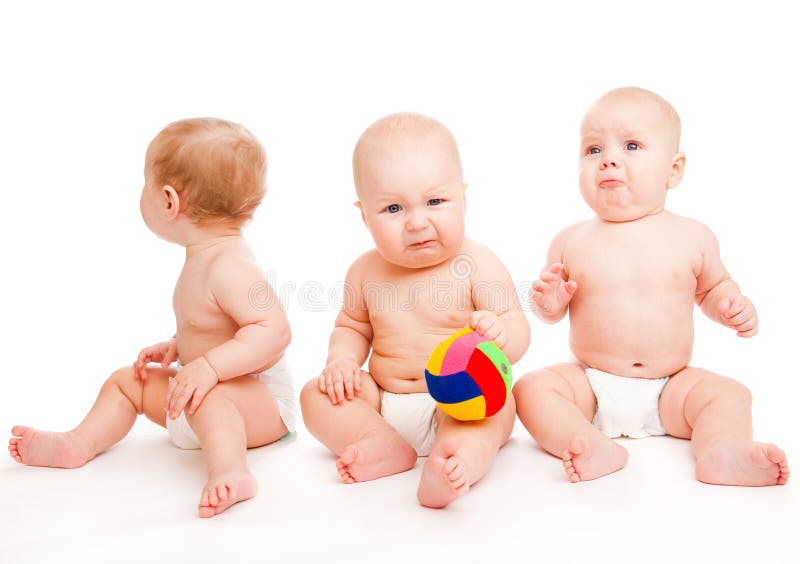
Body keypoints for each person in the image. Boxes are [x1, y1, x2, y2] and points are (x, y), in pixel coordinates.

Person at [8, 118, 296, 516]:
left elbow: (275, 331)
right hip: (199, 400)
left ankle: (232, 470)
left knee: (210, 397)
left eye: (143, 183)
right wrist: (179, 347)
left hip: (260, 411)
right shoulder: (204, 257)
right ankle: (79, 442)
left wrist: (209, 367)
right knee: (129, 382)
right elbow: (216, 327)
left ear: (168, 201)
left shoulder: (231, 265)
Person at [514, 87, 789, 486]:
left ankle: (721, 451)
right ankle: (587, 441)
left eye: (631, 145)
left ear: (673, 170)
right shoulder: (569, 240)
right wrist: (549, 303)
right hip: (590, 384)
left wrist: (731, 304)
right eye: (593, 150)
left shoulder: (693, 237)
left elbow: (713, 289)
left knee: (730, 395)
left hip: (671, 389)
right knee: (531, 388)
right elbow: (548, 311)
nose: (608, 159)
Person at [300, 112, 530, 508]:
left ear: (463, 197)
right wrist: (341, 361)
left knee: (498, 408)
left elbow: (516, 325)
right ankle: (377, 440)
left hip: (459, 403)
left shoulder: (477, 264)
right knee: (315, 396)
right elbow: (352, 327)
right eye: (393, 209)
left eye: (436, 202)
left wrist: (501, 333)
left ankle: (455, 465)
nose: (417, 222)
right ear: (364, 214)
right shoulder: (364, 270)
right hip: (383, 398)